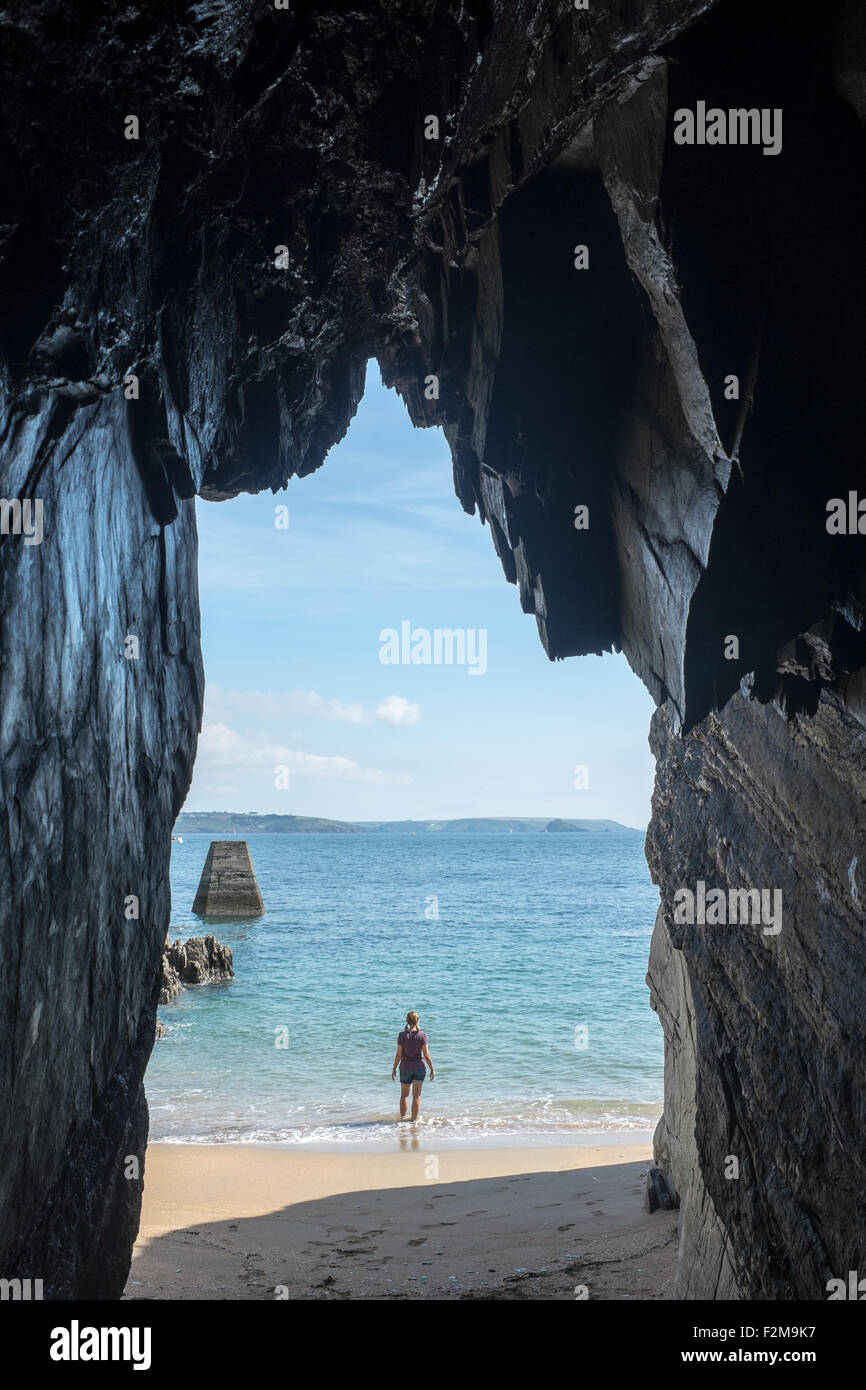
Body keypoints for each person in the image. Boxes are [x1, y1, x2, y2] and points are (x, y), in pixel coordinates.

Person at [392, 1010, 434, 1121]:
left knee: (404, 1095)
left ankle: (402, 1120)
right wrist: (432, 1068)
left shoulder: (402, 1035)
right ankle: (413, 1122)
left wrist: (394, 1068)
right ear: (418, 1020)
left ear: (407, 1021)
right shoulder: (422, 1036)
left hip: (405, 1068)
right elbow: (426, 1054)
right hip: (419, 1068)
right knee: (417, 1096)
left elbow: (398, 1055)